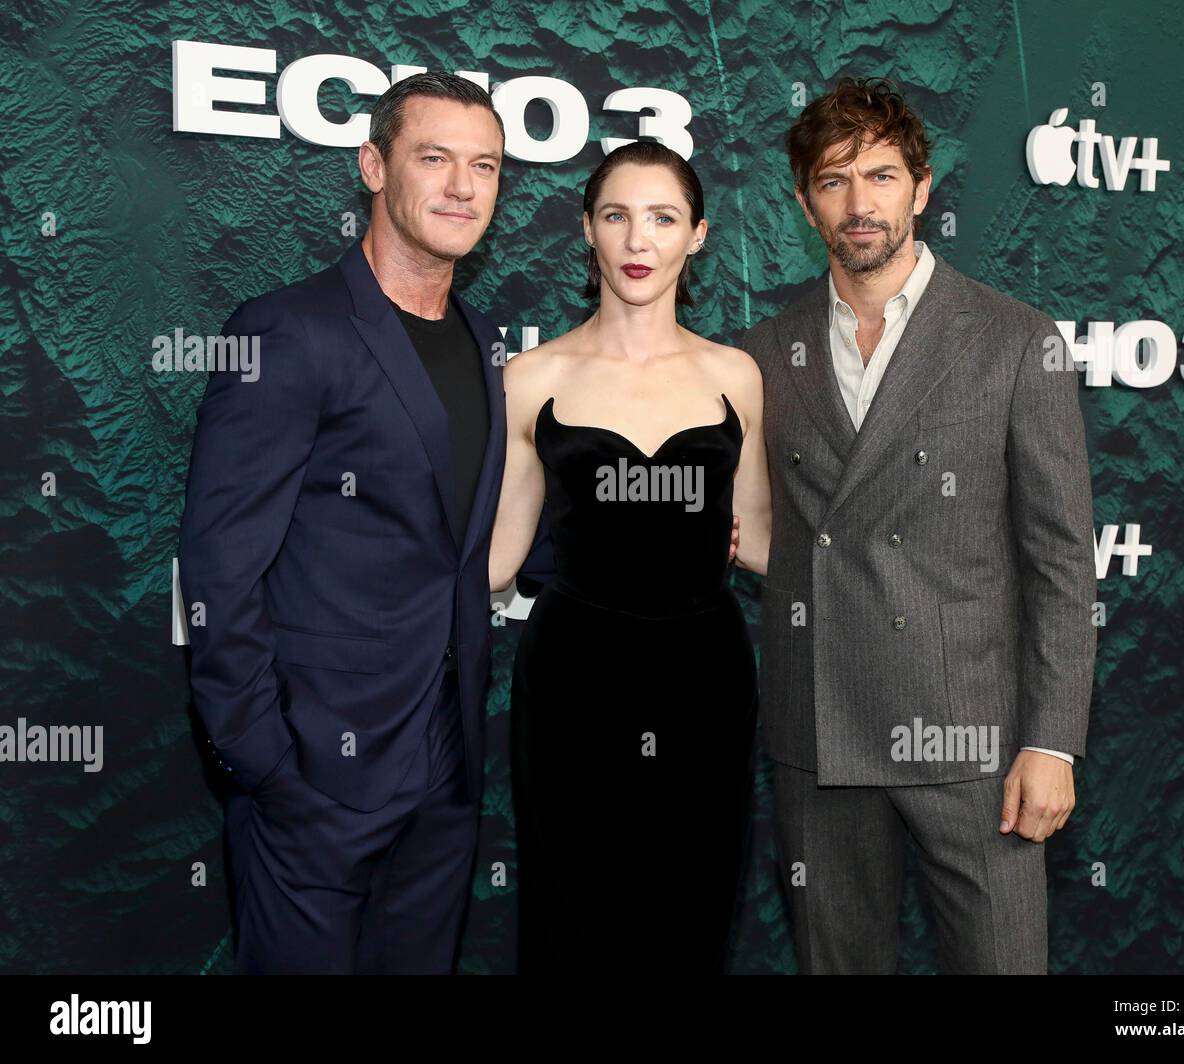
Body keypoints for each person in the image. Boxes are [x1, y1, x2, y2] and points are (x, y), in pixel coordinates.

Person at [178, 72, 552, 974]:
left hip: (443, 778)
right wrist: (266, 764)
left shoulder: (482, 340)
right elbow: (218, 569)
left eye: (486, 166)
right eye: (435, 158)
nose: (464, 186)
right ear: (373, 166)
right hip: (311, 776)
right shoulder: (288, 332)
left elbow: (456, 547)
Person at [737, 76, 1096, 974]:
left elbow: (1060, 561)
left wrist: (1051, 741)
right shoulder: (761, 353)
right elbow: (755, 525)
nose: (861, 204)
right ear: (804, 203)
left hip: (974, 742)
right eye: (834, 180)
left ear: (922, 190)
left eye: (883, 176)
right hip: (819, 731)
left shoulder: (1016, 340)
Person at [489, 140, 771, 972]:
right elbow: (497, 557)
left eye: (662, 218)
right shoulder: (533, 377)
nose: (637, 240)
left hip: (704, 678)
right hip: (574, 678)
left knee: (691, 911)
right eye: (616, 216)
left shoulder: (737, 376)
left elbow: (756, 538)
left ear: (698, 235)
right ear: (588, 231)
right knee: (571, 913)